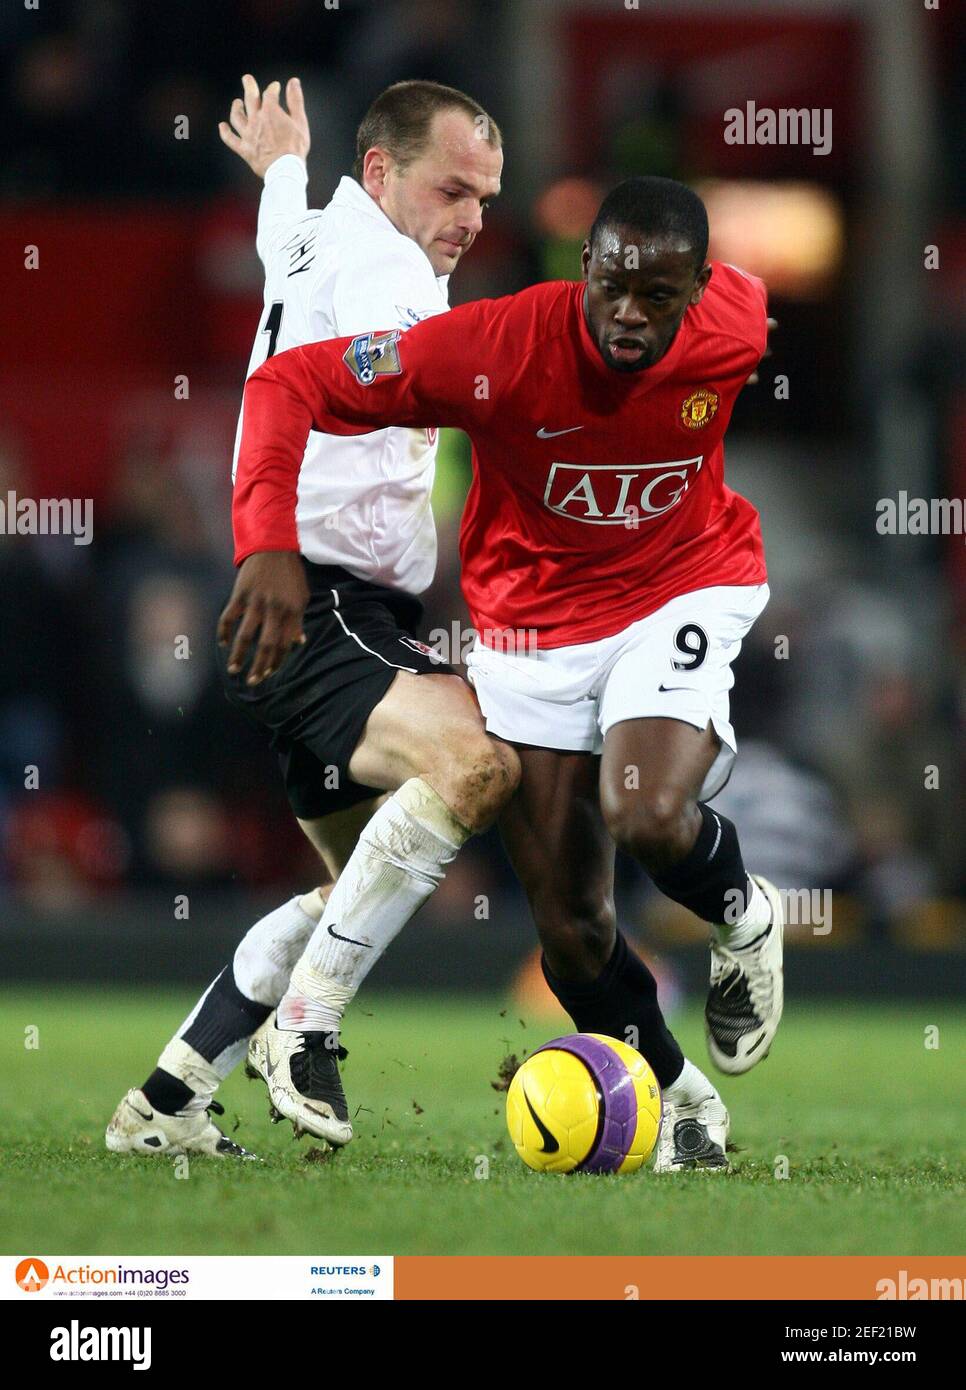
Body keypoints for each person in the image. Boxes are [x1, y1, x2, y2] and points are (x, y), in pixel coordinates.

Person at [229, 174, 785, 1173]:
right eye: (612, 284)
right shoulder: (491, 348)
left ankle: (744, 915)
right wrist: (265, 541)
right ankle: (682, 1093)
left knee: (647, 812)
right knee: (573, 933)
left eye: (659, 295)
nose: (629, 311)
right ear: (584, 268)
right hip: (534, 626)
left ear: (700, 290)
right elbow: (289, 385)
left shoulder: (738, 323)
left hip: (683, 588)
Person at [106, 73, 515, 1161]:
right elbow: (308, 379)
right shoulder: (391, 274)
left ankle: (169, 1095)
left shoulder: (316, 227)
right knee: (476, 767)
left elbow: (281, 221)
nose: (473, 219)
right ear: (381, 174)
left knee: (356, 887)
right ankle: (306, 1029)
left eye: (487, 196)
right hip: (320, 602)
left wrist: (283, 159)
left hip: (312, 610)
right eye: (454, 189)